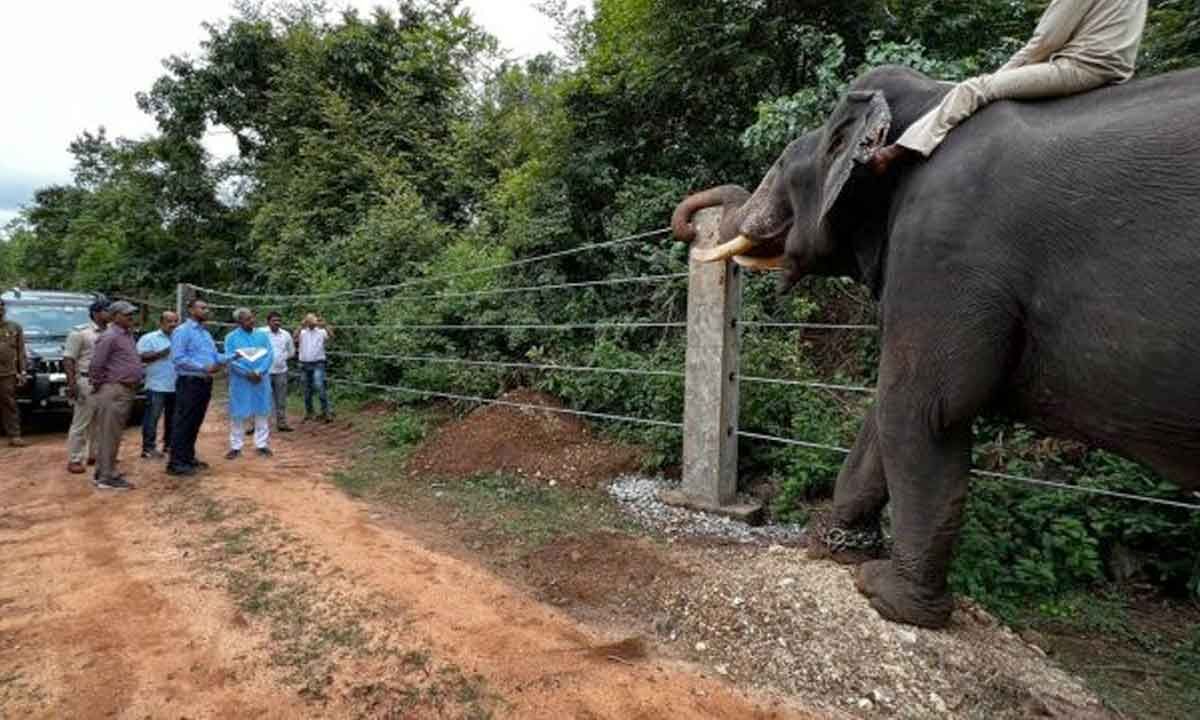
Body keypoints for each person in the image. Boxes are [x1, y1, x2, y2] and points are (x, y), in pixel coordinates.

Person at [870, 0, 1148, 174]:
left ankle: (897, 151)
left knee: (972, 89)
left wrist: (994, 79)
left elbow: (1045, 42)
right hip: (1115, 69)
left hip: (1081, 69)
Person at [167, 298, 230, 477]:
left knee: (195, 421)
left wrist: (234, 356)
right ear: (190, 310)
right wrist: (203, 367)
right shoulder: (182, 331)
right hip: (189, 382)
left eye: (207, 308)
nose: (206, 311)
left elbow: (214, 357)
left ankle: (188, 457)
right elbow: (178, 358)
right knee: (184, 421)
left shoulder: (205, 334)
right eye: (202, 308)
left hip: (204, 382)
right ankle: (176, 462)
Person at [88, 301, 144, 491]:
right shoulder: (110, 336)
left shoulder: (126, 335)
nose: (131, 317)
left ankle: (104, 471)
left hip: (124, 389)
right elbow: (96, 365)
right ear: (115, 316)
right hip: (114, 389)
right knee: (109, 434)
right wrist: (101, 385)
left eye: (132, 314)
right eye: (126, 314)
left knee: (113, 433)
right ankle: (106, 477)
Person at [63, 299, 110, 473]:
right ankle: (75, 458)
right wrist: (72, 384)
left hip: (106, 381)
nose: (110, 313)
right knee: (81, 422)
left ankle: (94, 454)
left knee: (101, 421)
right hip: (86, 381)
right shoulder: (80, 333)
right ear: (96, 313)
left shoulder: (112, 332)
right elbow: (69, 359)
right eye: (107, 310)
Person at [224, 308, 275, 459]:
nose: (251, 321)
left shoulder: (262, 335)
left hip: (261, 379)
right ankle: (236, 447)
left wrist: (259, 371)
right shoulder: (231, 338)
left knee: (262, 411)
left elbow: (270, 354)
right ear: (238, 322)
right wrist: (247, 373)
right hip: (241, 380)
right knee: (238, 413)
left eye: (252, 318)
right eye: (247, 319)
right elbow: (230, 358)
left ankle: (261, 445)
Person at [137, 310, 179, 459]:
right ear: (161, 323)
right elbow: (142, 357)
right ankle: (148, 448)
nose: (173, 324)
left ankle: (169, 445)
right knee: (152, 418)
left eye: (175, 321)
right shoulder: (149, 338)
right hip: (156, 385)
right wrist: (164, 352)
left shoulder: (180, 338)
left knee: (173, 418)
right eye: (169, 321)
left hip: (177, 385)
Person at [0, 298, 29, 447]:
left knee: (9, 403)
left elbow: (21, 351)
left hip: (7, 373)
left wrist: (22, 371)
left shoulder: (14, 327)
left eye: (1, 306)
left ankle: (14, 435)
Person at [294, 313, 333, 422]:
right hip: (304, 363)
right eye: (309, 321)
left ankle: (326, 412)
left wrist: (325, 325)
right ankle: (309, 412)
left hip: (318, 363)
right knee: (307, 389)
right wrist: (301, 325)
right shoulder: (302, 332)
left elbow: (332, 336)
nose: (311, 323)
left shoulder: (321, 332)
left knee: (319, 385)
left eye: (313, 321)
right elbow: (294, 338)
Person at [265, 311, 295, 432]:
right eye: (274, 320)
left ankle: (281, 423)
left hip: (281, 371)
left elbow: (291, 351)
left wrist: (283, 358)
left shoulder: (286, 335)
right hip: (265, 371)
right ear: (268, 322)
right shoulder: (261, 333)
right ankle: (260, 424)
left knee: (281, 399)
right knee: (263, 398)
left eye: (279, 320)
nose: (277, 323)